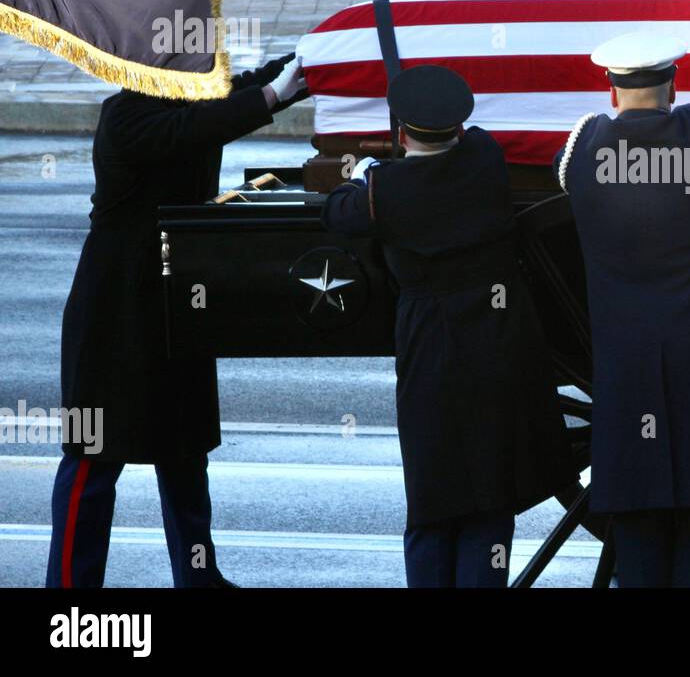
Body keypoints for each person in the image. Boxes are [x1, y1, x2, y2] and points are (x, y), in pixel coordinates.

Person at [47, 55, 309, 588]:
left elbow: (231, 93)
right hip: (112, 313)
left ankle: (198, 577)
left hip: (175, 302)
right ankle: (70, 588)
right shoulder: (126, 115)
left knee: (184, 448)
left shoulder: (181, 98)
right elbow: (197, 126)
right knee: (91, 459)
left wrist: (303, 64)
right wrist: (273, 98)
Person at [321, 66, 574, 587]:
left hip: (431, 351)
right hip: (499, 345)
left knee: (433, 503)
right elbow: (467, 146)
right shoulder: (485, 160)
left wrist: (364, 171)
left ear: (402, 131)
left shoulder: (384, 191)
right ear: (458, 128)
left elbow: (340, 212)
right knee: (489, 499)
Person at [555, 32, 690, 587]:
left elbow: (563, 165)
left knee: (639, 521)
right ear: (672, 84)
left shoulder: (587, 145)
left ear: (609, 86)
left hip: (626, 367)